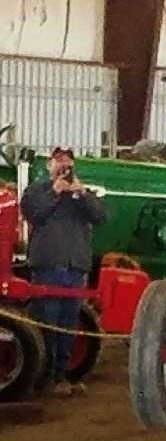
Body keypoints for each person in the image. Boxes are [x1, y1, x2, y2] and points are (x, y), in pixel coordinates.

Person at [20, 147, 108, 396]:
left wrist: (81, 193)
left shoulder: (82, 195)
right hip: (48, 266)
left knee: (69, 325)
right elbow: (33, 213)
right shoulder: (36, 191)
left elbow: (101, 216)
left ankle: (61, 376)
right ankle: (42, 378)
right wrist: (55, 192)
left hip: (75, 268)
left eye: (68, 163)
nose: (63, 167)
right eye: (58, 162)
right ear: (49, 166)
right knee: (46, 323)